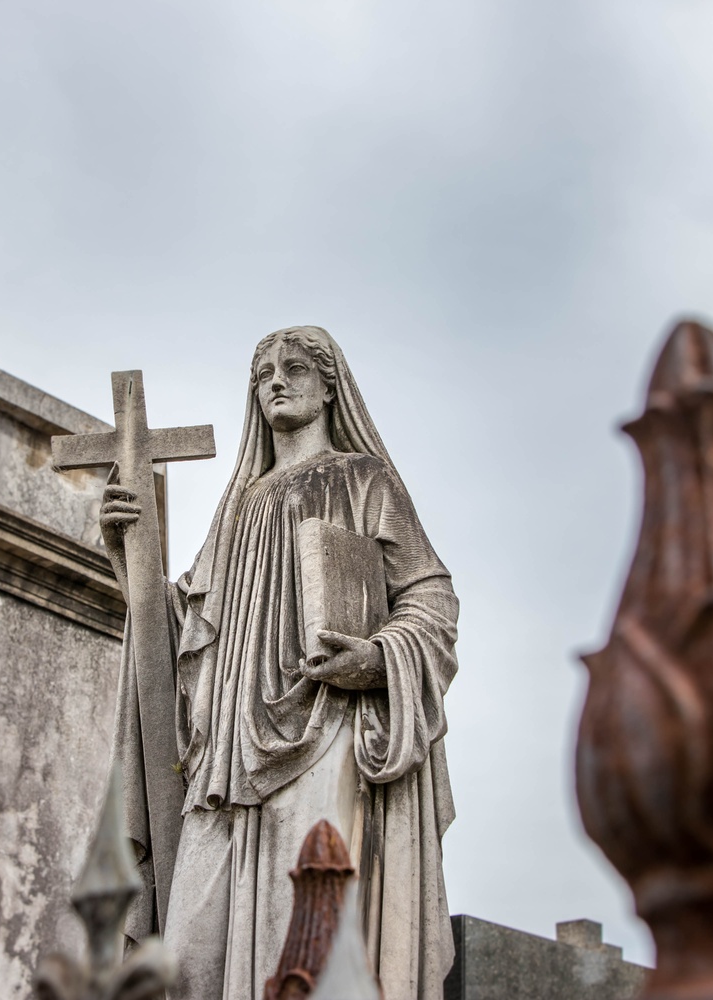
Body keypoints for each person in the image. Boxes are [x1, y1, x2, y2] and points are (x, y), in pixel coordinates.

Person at [101, 326, 459, 1000]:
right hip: (226, 754)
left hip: (324, 730)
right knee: (186, 960)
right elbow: (184, 629)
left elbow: (430, 594)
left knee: (309, 933)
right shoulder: (240, 504)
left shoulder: (364, 478)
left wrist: (380, 657)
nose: (275, 380)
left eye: (295, 367)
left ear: (329, 386)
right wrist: (129, 546)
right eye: (263, 371)